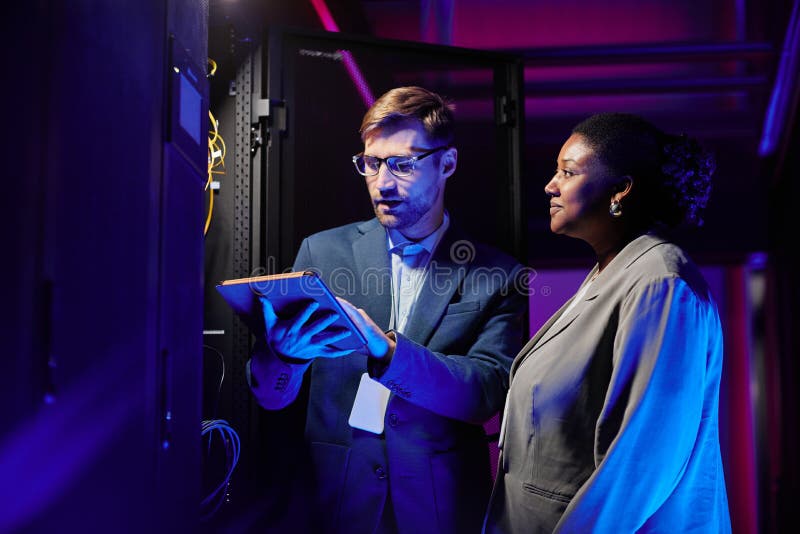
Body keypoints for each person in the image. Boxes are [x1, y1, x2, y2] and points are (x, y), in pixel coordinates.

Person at [248, 86, 527, 533]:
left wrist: (390, 353)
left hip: (438, 507)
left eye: (403, 164)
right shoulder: (321, 253)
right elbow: (273, 397)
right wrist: (285, 359)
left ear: (447, 163)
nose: (382, 182)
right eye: (371, 163)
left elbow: (486, 394)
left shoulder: (499, 275)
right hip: (333, 502)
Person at [483, 112, 731, 533]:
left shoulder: (660, 283)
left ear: (620, 190)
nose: (550, 185)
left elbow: (642, 460)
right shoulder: (614, 272)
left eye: (568, 172)